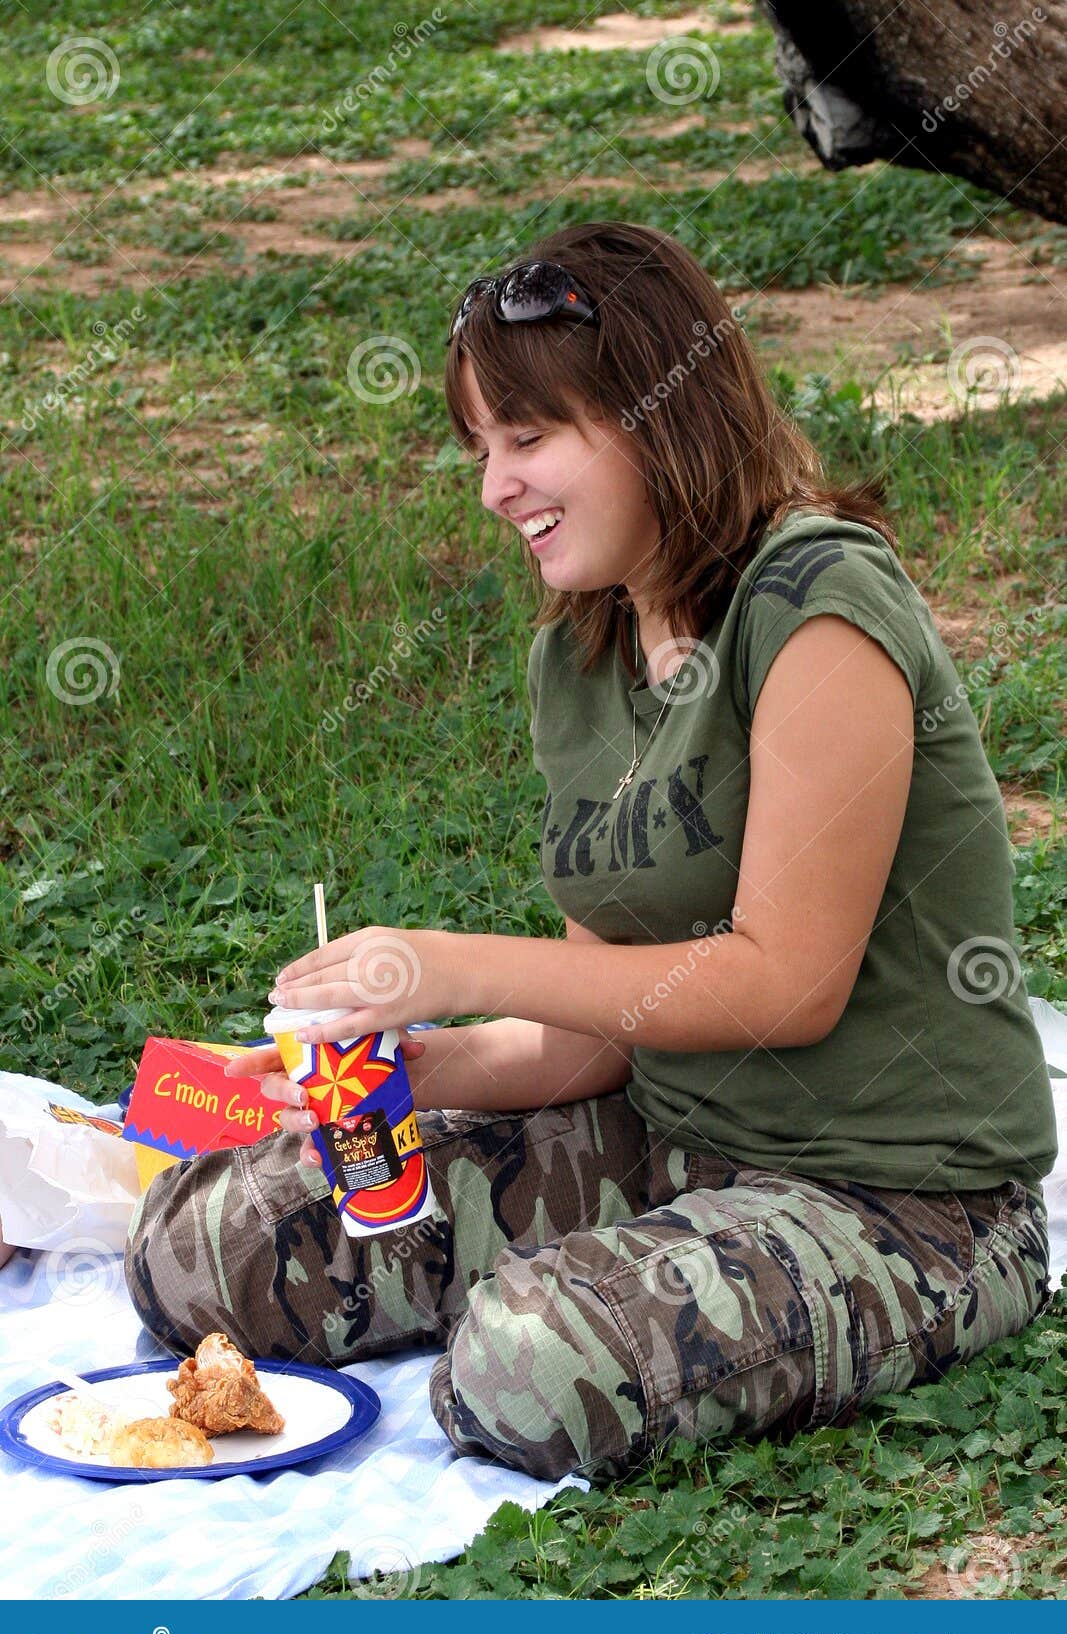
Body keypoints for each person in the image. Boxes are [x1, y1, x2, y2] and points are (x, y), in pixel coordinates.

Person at [125, 221, 1056, 1483]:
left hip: (901, 1199)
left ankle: (637, 1304)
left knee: (526, 1364)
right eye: (481, 448)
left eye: (528, 439)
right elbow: (597, 1031)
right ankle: (641, 1282)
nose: (494, 487)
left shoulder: (814, 604)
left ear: (658, 419)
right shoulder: (577, 658)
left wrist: (450, 963)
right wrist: (390, 1072)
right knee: (204, 1243)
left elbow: (787, 979)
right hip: (665, 1140)